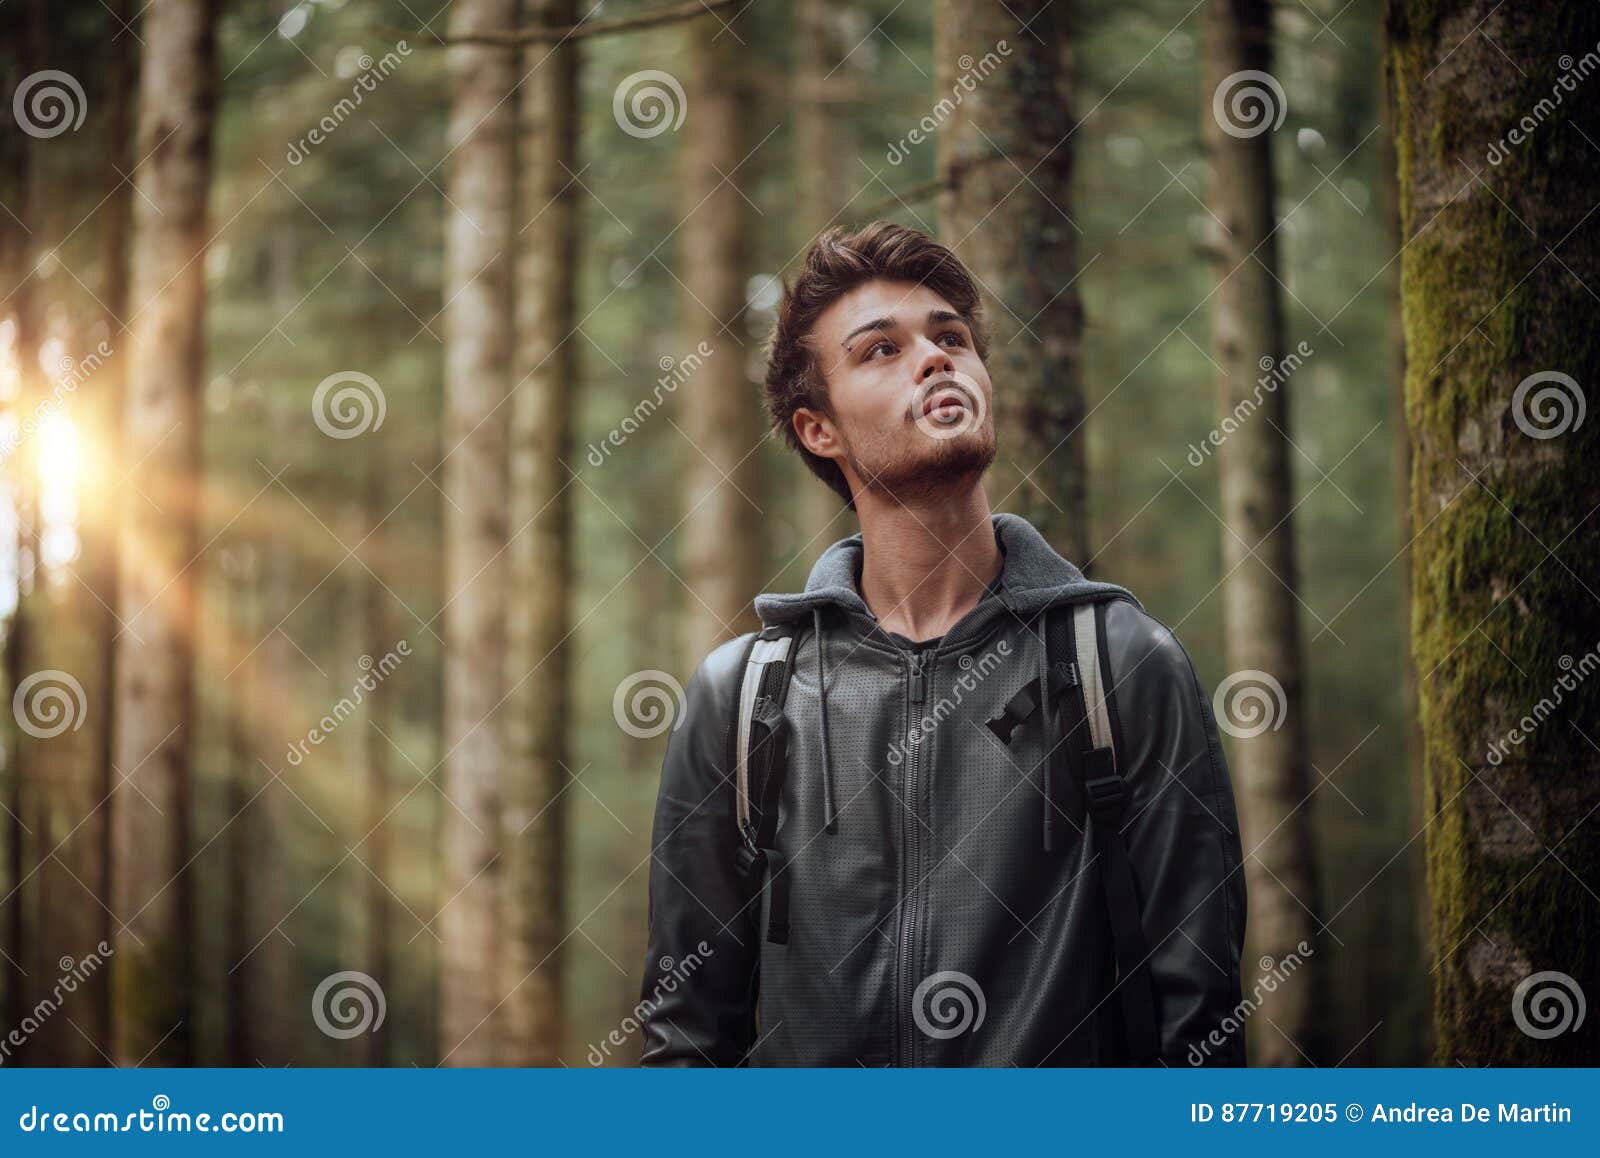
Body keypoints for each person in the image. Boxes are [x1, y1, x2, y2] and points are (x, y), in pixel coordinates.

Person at [638, 221, 1247, 1066]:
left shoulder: (1119, 664)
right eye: (880, 350)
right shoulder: (742, 699)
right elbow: (685, 1037)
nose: (934, 358)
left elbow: (1202, 1019)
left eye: (950, 337)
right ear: (820, 430)